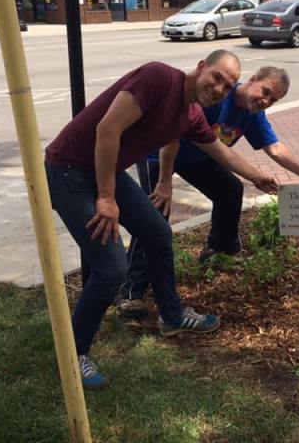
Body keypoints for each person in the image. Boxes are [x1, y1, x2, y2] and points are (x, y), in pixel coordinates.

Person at [44, 51, 278, 389]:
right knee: (112, 268)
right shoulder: (157, 78)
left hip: (102, 170)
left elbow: (221, 152)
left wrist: (258, 177)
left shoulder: (191, 113)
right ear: (201, 67)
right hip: (69, 168)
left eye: (228, 86)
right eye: (216, 77)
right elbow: (107, 129)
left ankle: (172, 317)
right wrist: (107, 198)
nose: (219, 88)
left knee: (157, 232)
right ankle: (72, 353)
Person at [119, 66, 299, 317]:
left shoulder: (254, 114)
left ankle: (219, 251)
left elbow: (274, 149)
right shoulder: (218, 96)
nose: (266, 101)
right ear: (253, 79)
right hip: (160, 149)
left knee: (230, 189)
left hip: (197, 155)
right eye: (265, 91)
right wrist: (165, 182)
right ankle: (130, 292)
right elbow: (172, 137)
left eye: (273, 99)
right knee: (155, 217)